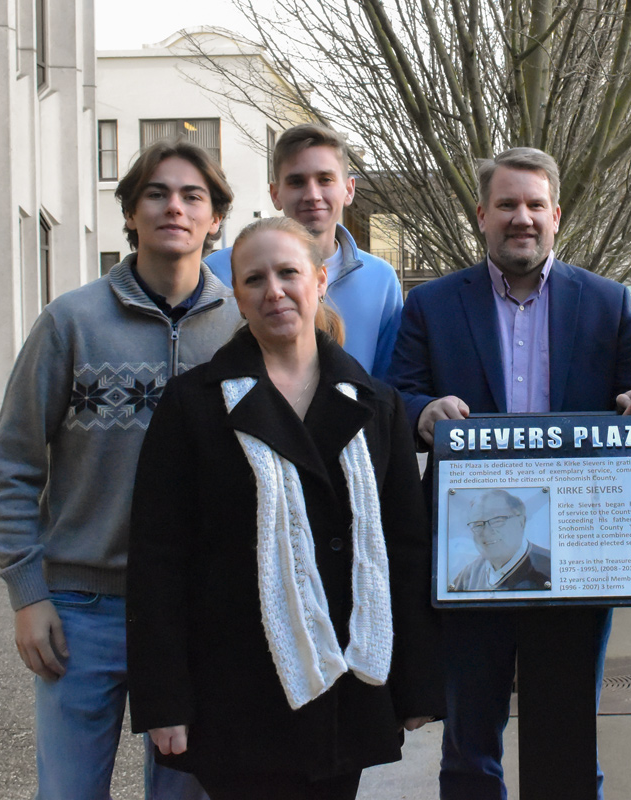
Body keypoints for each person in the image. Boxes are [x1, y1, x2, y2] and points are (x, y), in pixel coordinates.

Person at [126, 217, 443, 800]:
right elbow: (158, 558)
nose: (274, 291)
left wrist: (416, 684)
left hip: (345, 685)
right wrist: (164, 699)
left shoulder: (377, 405)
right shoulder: (192, 404)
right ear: (237, 296)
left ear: (319, 280)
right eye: (255, 279)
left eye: (288, 273)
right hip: (234, 689)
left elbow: (407, 545)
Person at [388, 146, 631, 799]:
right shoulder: (432, 305)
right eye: (507, 204)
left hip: (579, 554)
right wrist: (423, 412)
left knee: (568, 741)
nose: (521, 217)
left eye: (535, 205)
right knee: (469, 742)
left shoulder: (609, 303)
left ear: (556, 215)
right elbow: (396, 395)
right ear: (482, 214)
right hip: (469, 553)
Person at [0, 140, 240, 799]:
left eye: (192, 196)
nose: (174, 207)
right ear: (129, 212)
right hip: (82, 610)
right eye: (156, 193)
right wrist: (28, 593)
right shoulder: (70, 322)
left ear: (215, 218)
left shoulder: (242, 330)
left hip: (195, 614)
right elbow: (12, 464)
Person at [205, 123, 402, 378]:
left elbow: (390, 382)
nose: (312, 195)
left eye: (325, 180)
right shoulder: (218, 271)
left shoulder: (381, 279)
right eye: (297, 182)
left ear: (349, 189)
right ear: (275, 194)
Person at [451, 489, 552, 591]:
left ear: (521, 522)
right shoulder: (468, 575)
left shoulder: (551, 566)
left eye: (497, 520)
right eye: (477, 525)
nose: (486, 532)